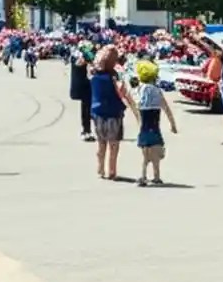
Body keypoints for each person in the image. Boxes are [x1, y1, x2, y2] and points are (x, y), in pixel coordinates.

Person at [89, 45, 137, 180]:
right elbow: (120, 93)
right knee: (114, 144)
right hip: (114, 112)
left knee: (101, 143)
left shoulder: (94, 75)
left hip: (98, 111)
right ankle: (112, 170)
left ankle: (100, 168)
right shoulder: (114, 77)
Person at [132, 60, 178, 186]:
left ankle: (143, 176)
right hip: (154, 124)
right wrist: (173, 124)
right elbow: (166, 109)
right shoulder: (157, 91)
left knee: (145, 154)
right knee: (156, 154)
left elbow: (135, 106)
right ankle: (156, 176)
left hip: (144, 125)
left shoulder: (139, 90)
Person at [69, 41, 96, 142]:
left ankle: (88, 129)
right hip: (83, 85)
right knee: (86, 109)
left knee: (89, 109)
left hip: (88, 84)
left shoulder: (84, 56)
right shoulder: (78, 56)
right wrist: (86, 58)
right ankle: (86, 130)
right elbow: (79, 63)